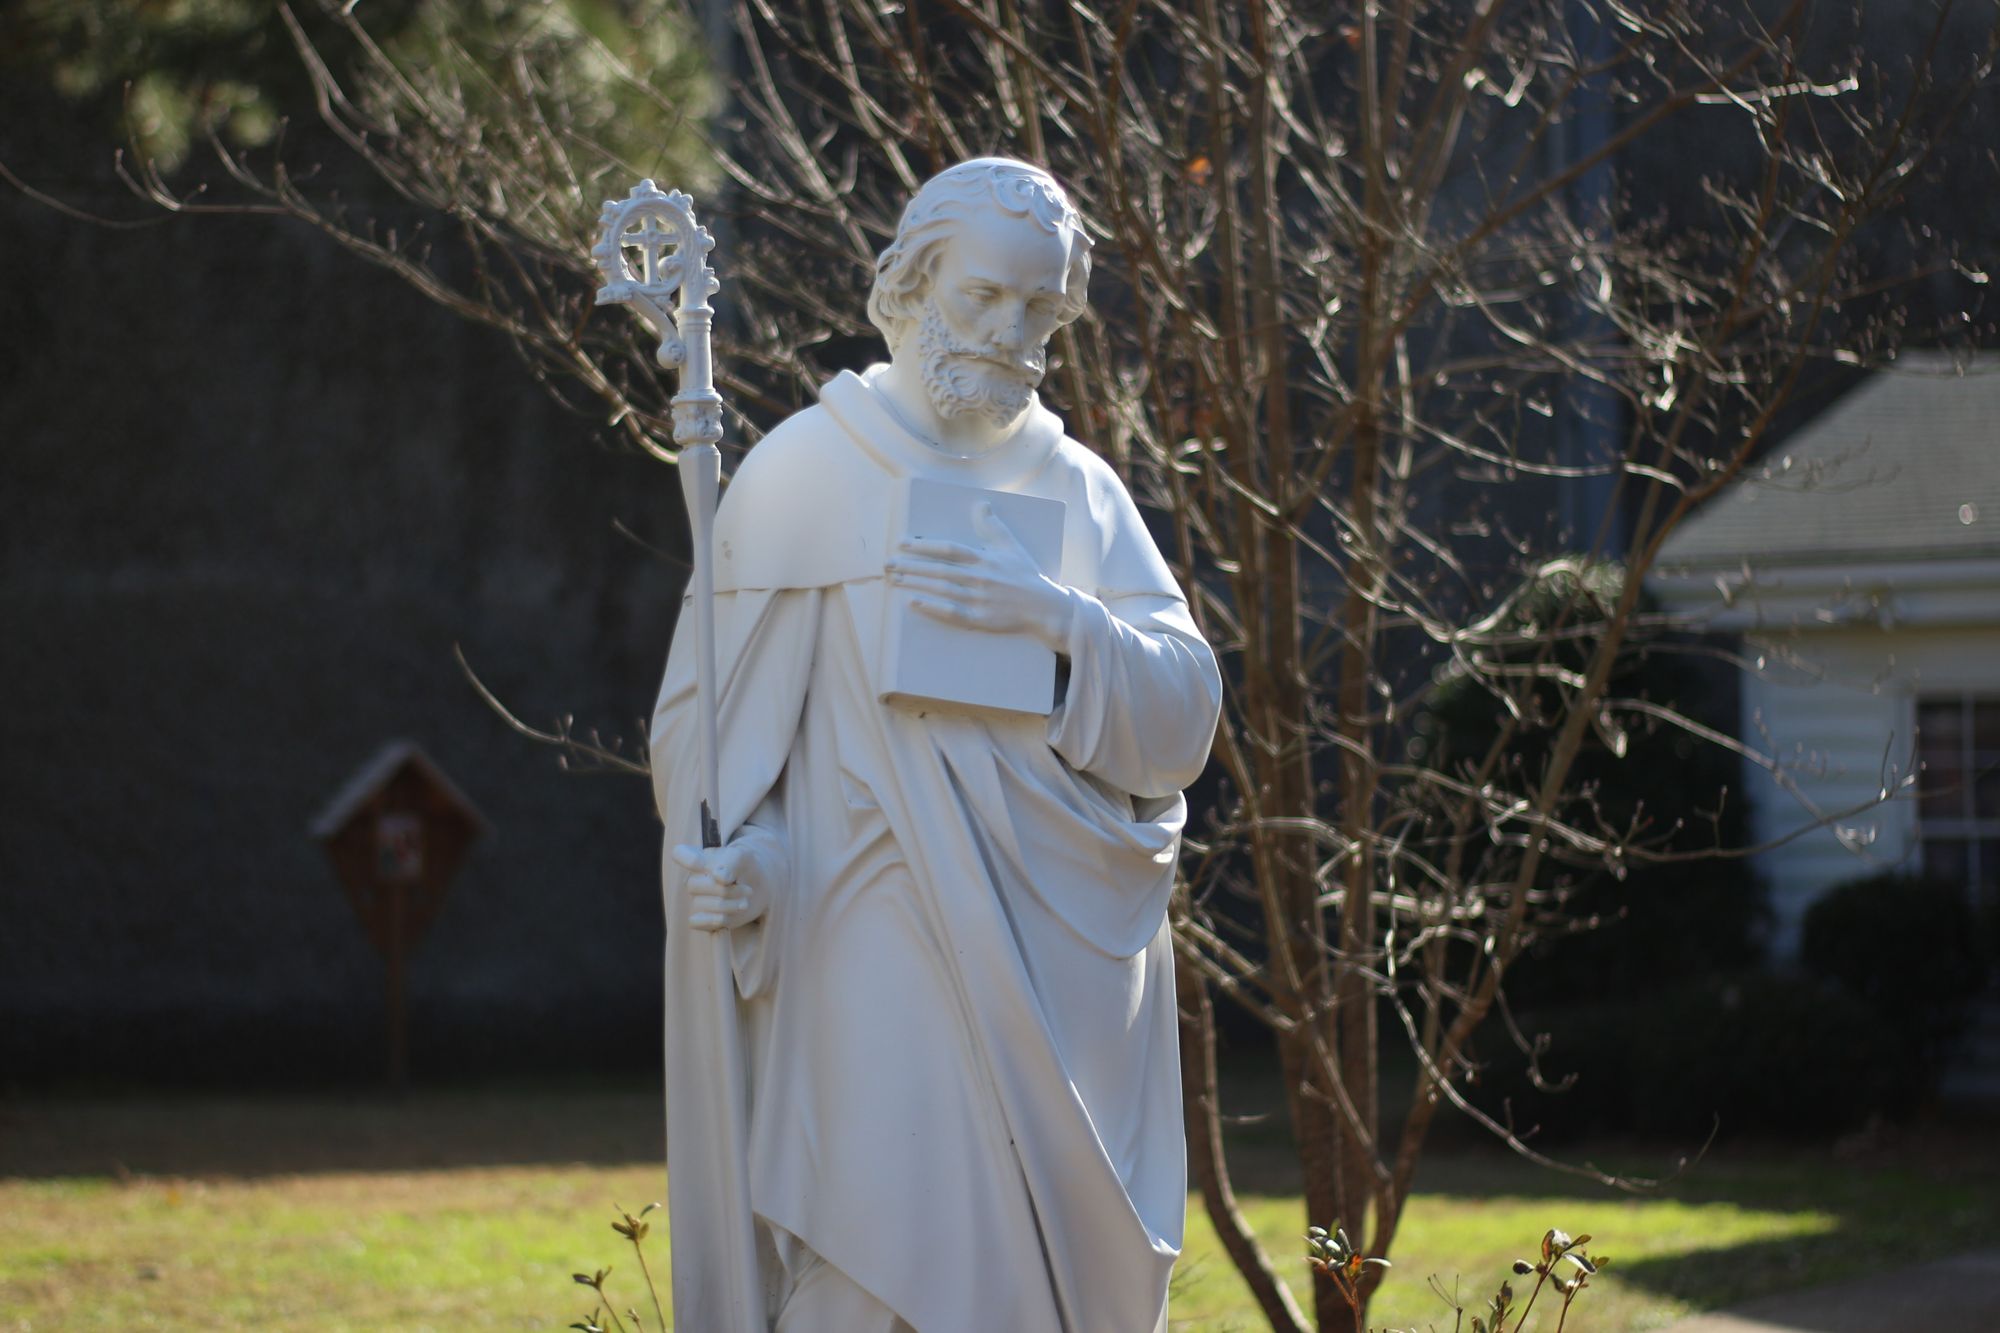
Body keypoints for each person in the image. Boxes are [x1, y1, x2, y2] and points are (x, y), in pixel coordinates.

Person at [650, 157, 1221, 1333]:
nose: (1013, 335)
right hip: (862, 949)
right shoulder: (802, 477)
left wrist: (1053, 613)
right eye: (983, 299)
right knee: (866, 1271)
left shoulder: (1074, 490)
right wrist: (745, 869)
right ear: (909, 287)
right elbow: (709, 756)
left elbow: (1180, 720)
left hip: (1057, 991)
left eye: (1040, 311)